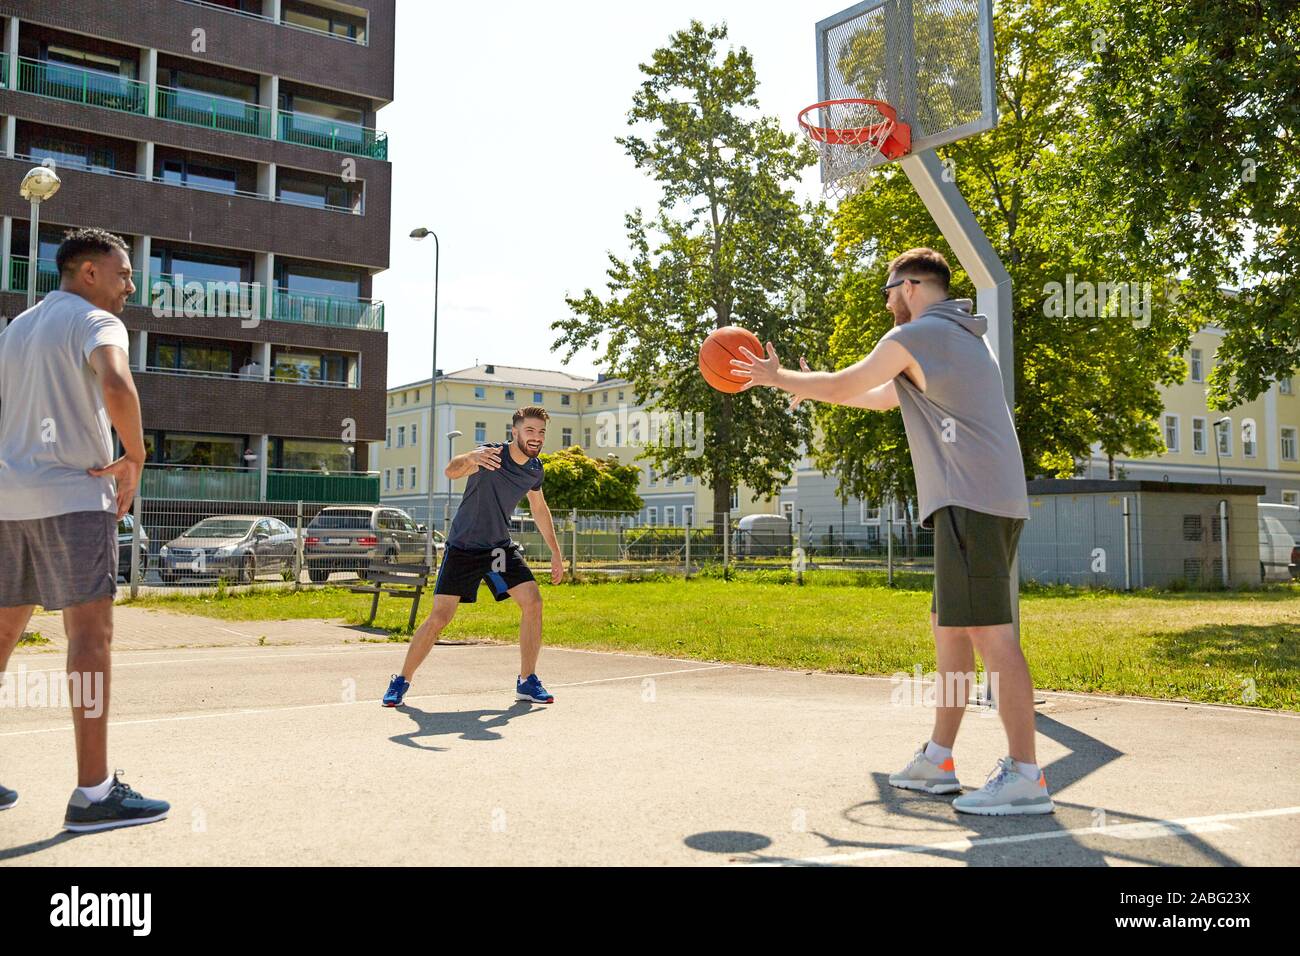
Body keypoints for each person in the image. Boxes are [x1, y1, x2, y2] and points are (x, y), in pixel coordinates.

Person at [733, 247, 1051, 816]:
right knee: (949, 627)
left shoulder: (921, 333)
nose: (885, 303)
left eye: (887, 291)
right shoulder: (957, 333)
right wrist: (804, 386)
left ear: (909, 285)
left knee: (990, 633)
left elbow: (852, 379)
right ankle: (939, 758)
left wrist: (775, 376)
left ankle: (1026, 773)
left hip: (971, 501)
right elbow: (874, 394)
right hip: (979, 500)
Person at [0, 227, 171, 831]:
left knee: (0, 636)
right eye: (123, 273)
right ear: (89, 272)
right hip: (74, 495)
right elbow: (117, 382)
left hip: (9, 501)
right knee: (90, 641)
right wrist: (136, 456)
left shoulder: (16, 329)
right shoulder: (97, 323)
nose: (130, 285)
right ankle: (94, 796)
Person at [383, 405, 566, 707]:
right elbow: (451, 470)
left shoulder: (535, 469)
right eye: (530, 430)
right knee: (440, 617)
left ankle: (527, 681)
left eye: (541, 432)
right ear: (515, 432)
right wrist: (470, 458)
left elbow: (539, 509)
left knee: (533, 602)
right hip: (464, 546)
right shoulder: (491, 455)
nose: (536, 437)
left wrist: (556, 554)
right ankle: (401, 680)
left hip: (498, 549)